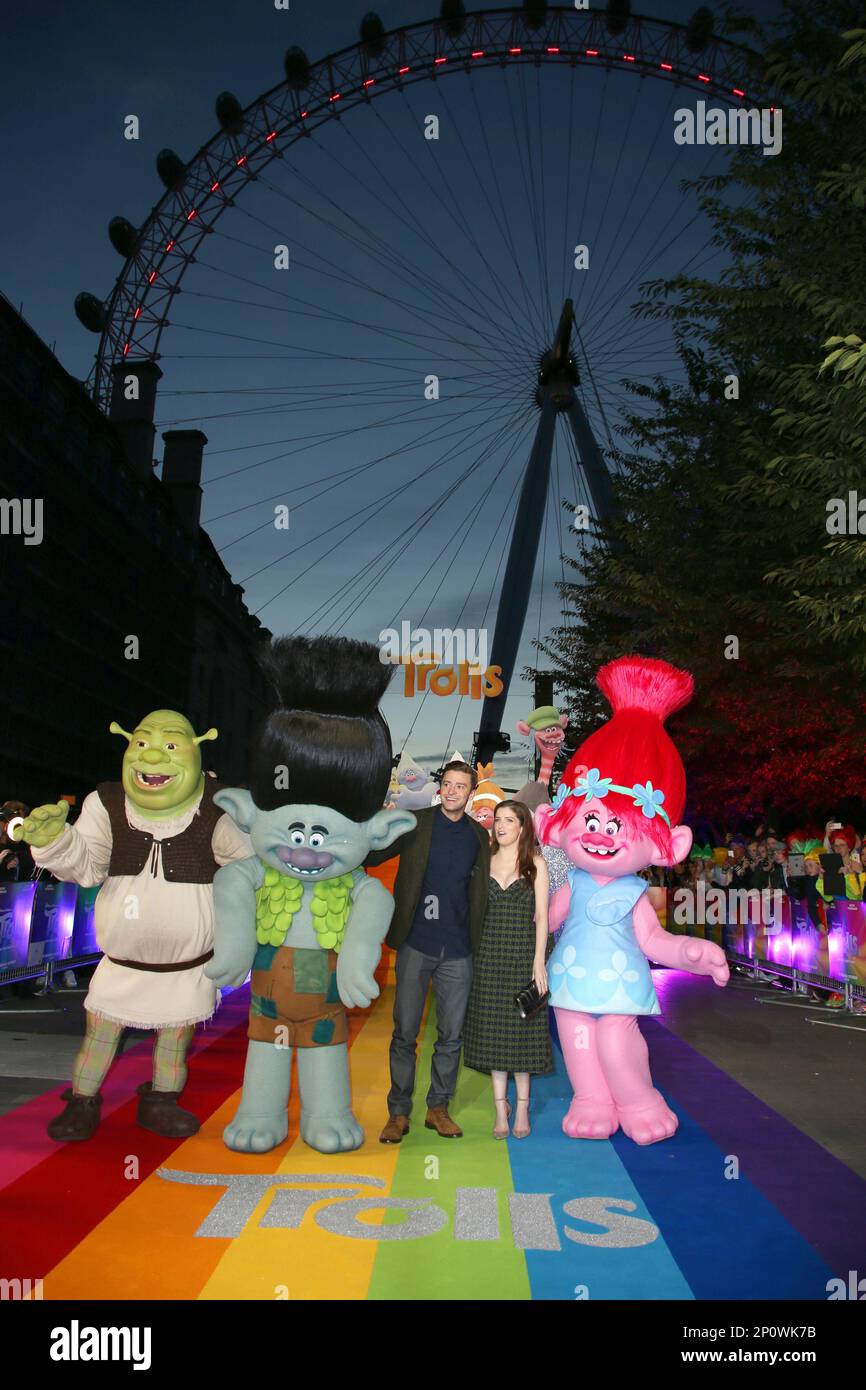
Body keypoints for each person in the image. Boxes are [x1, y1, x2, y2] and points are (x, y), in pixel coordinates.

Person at [367, 760, 490, 1142]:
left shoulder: (478, 836)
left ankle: (438, 1109)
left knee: (451, 1036)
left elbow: (485, 887)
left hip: (458, 949)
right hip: (416, 943)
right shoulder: (415, 822)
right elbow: (373, 856)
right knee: (404, 1032)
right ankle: (398, 1113)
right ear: (441, 788)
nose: (453, 791)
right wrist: (374, 824)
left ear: (471, 792)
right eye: (448, 785)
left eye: (461, 786)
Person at [463, 801, 552, 1139]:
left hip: (523, 956)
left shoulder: (536, 864)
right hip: (488, 956)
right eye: (497, 820)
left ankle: (523, 1107)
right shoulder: (483, 860)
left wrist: (538, 961)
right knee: (494, 1035)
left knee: (522, 1034)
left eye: (508, 820)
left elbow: (542, 917)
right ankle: (501, 1108)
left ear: (522, 826)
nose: (500, 826)